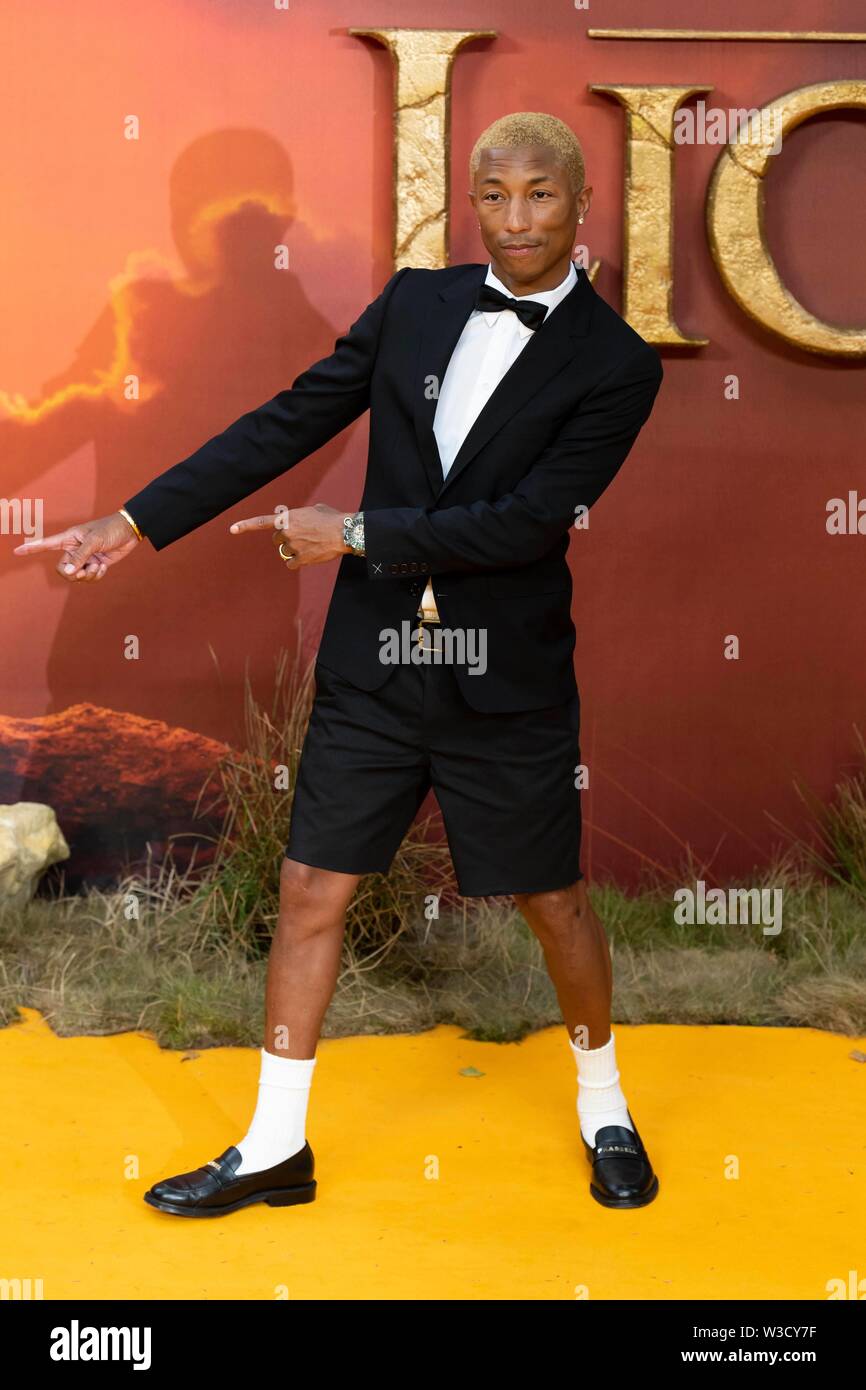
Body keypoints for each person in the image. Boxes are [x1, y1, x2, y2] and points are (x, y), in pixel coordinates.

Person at [15, 111, 664, 1215]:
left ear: (580, 203)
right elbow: (282, 424)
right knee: (311, 885)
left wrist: (352, 534)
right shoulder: (414, 303)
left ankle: (602, 1101)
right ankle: (274, 1145)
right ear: (470, 200)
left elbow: (522, 525)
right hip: (376, 664)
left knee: (550, 901)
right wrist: (130, 521)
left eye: (538, 195)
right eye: (493, 194)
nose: (513, 219)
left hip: (501, 678)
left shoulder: (617, 363)